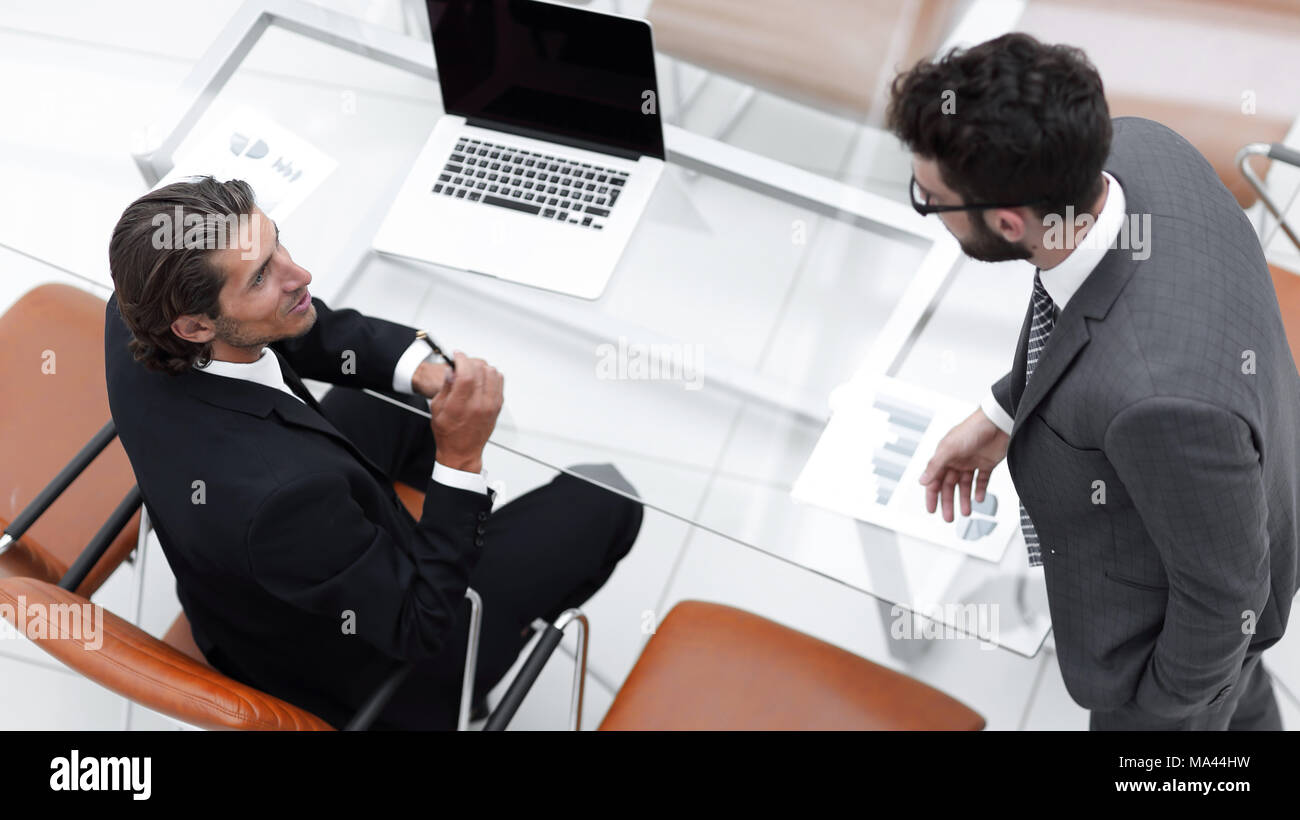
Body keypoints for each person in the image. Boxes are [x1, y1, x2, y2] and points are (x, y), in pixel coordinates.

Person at [105, 176, 643, 729]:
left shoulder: (133, 314)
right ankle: (470, 679)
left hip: (247, 583)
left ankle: (413, 542)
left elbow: (295, 330)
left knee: (394, 401)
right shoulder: (281, 500)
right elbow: (420, 625)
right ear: (194, 325)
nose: (300, 275)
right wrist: (459, 459)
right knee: (607, 496)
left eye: (277, 244)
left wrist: (422, 371)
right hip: (374, 666)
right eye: (263, 275)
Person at [888, 33, 1299, 730]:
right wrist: (1004, 410)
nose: (924, 205)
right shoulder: (1139, 150)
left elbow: (1225, 599)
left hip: (1173, 651)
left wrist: (1157, 709)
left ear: (1009, 222)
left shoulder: (1157, 401)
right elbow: (1075, 305)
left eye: (930, 200)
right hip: (1242, 478)